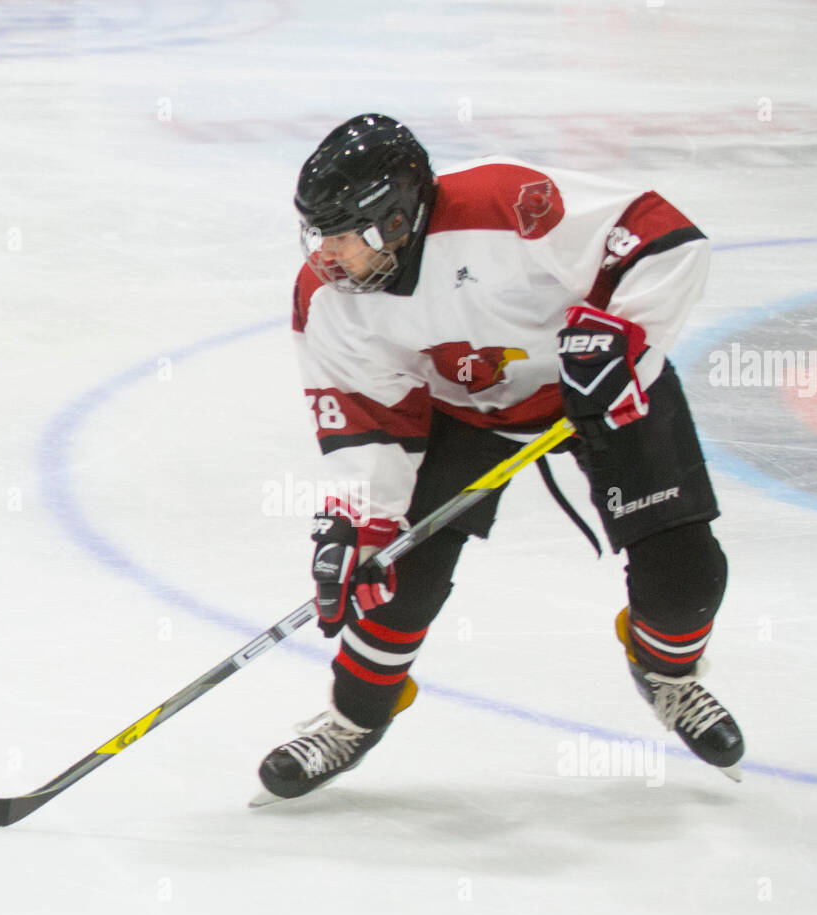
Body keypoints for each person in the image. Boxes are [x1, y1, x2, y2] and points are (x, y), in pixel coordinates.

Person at [255, 113, 744, 802]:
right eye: (319, 235)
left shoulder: (508, 202)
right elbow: (370, 414)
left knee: (687, 578)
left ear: (395, 221)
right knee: (388, 580)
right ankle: (353, 719)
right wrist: (361, 520)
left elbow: (663, 235)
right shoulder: (330, 300)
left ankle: (666, 671)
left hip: (597, 386)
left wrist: (623, 334)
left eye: (342, 236)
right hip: (465, 412)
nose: (327, 256)